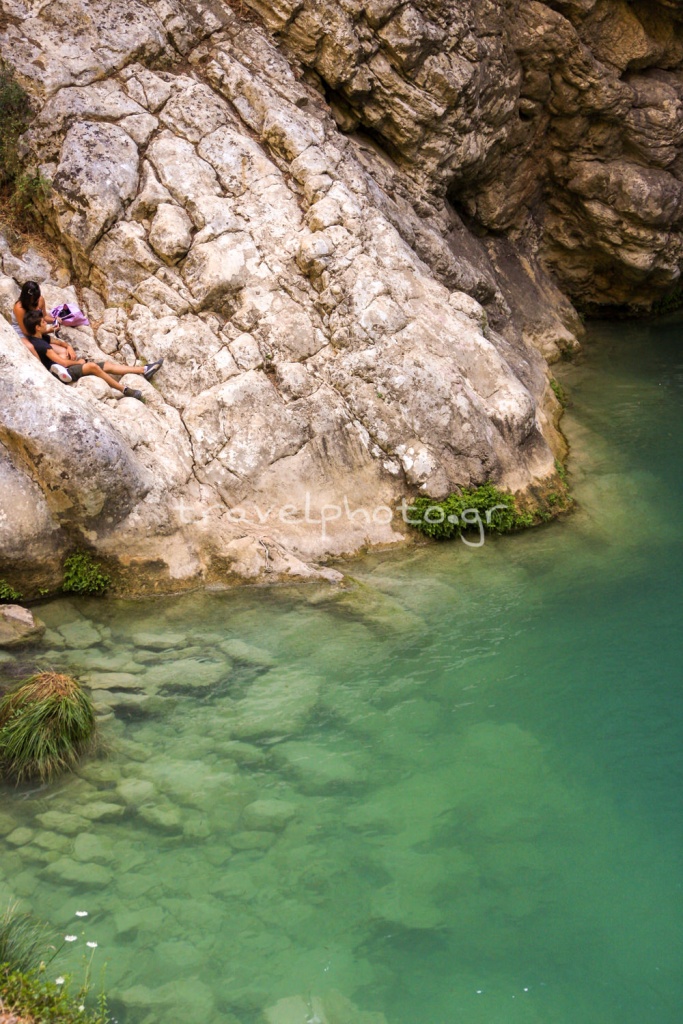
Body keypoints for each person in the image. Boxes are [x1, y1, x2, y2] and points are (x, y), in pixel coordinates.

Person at [22, 309, 163, 401]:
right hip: (63, 370)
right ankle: (125, 390)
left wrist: (68, 347)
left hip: (65, 366)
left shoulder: (42, 337)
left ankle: (144, 370)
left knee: (106, 365)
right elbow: (62, 362)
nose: (45, 323)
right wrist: (80, 363)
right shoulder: (40, 344)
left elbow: (58, 342)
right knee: (92, 367)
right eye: (42, 322)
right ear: (37, 327)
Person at [12, 281, 77, 361]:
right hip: (23, 331)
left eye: (37, 298)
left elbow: (44, 317)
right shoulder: (19, 308)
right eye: (34, 300)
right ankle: (42, 367)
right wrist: (47, 330)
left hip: (38, 330)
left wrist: (55, 320)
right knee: (31, 347)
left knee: (64, 352)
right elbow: (26, 332)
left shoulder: (40, 300)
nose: (36, 301)